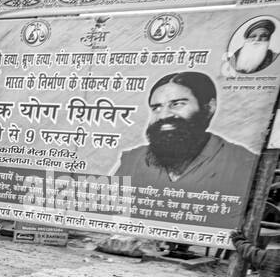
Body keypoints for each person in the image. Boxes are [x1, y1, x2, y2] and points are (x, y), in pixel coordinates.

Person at [111, 72, 259, 199]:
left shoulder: (242, 163)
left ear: (209, 107)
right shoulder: (133, 159)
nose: (163, 115)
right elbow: (108, 211)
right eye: (156, 108)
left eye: (177, 104)